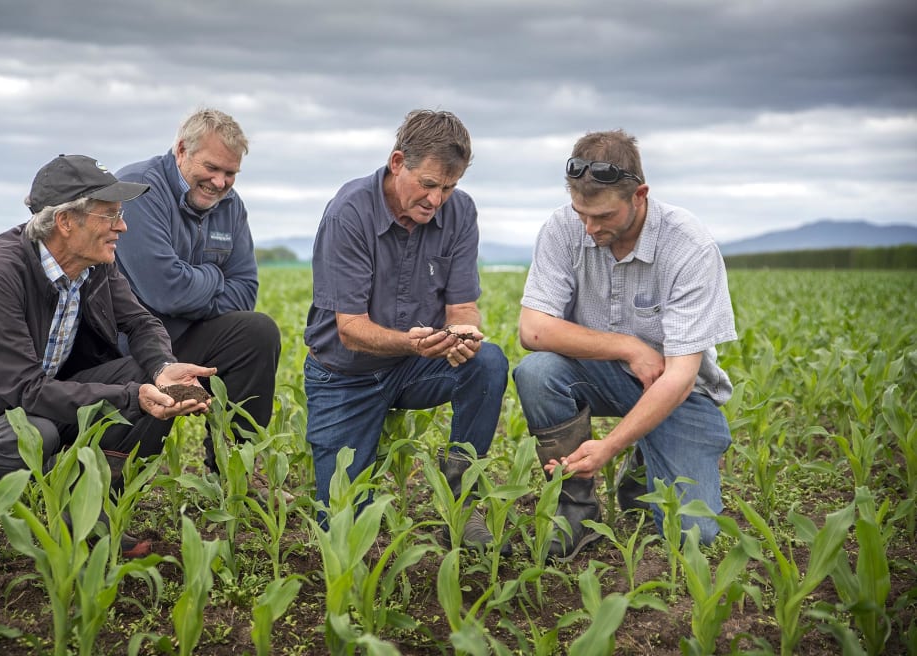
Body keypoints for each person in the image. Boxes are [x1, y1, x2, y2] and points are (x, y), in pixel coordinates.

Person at [0, 154, 217, 572]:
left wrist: (161, 370)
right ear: (65, 222)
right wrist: (132, 396)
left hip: (49, 394)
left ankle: (87, 515)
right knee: (34, 432)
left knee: (150, 384)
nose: (122, 226)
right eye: (110, 215)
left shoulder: (92, 264)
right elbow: (22, 389)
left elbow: (140, 322)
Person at [513, 129, 736, 560]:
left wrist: (610, 446)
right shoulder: (564, 228)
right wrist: (628, 346)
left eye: (603, 216)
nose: (591, 227)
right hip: (599, 376)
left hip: (676, 390)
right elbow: (533, 331)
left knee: (693, 535)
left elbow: (681, 376)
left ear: (639, 195)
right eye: (582, 214)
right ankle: (573, 512)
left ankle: (642, 459)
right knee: (537, 372)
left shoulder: (689, 247)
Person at [304, 109, 510, 553]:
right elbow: (351, 330)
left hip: (415, 367)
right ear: (399, 162)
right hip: (346, 375)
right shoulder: (349, 212)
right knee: (341, 531)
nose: (437, 199)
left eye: (449, 188)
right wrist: (411, 343)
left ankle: (461, 502)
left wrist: (463, 334)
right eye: (429, 184)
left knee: (488, 362)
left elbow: (462, 306)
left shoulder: (460, 212)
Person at [114, 108, 280, 472]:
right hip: (129, 349)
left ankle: (232, 472)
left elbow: (245, 292)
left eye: (230, 173)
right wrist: (214, 276)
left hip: (187, 338)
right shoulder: (139, 190)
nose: (220, 183)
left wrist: (188, 290)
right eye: (212, 168)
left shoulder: (230, 207)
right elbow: (166, 292)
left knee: (257, 332)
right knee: (121, 474)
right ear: (181, 151)